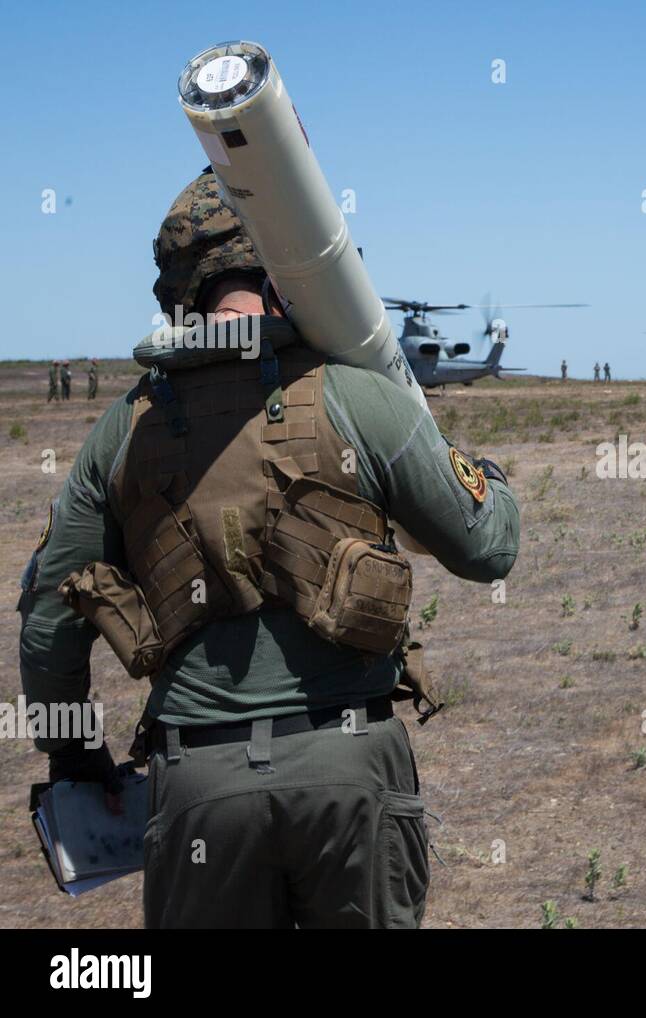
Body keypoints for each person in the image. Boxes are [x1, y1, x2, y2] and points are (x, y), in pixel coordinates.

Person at [19, 168, 521, 929]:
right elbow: (488, 548)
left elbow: (49, 625)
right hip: (350, 775)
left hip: (199, 788)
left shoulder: (122, 432)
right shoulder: (361, 399)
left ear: (182, 291)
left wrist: (75, 758)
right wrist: (487, 477)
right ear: (290, 268)